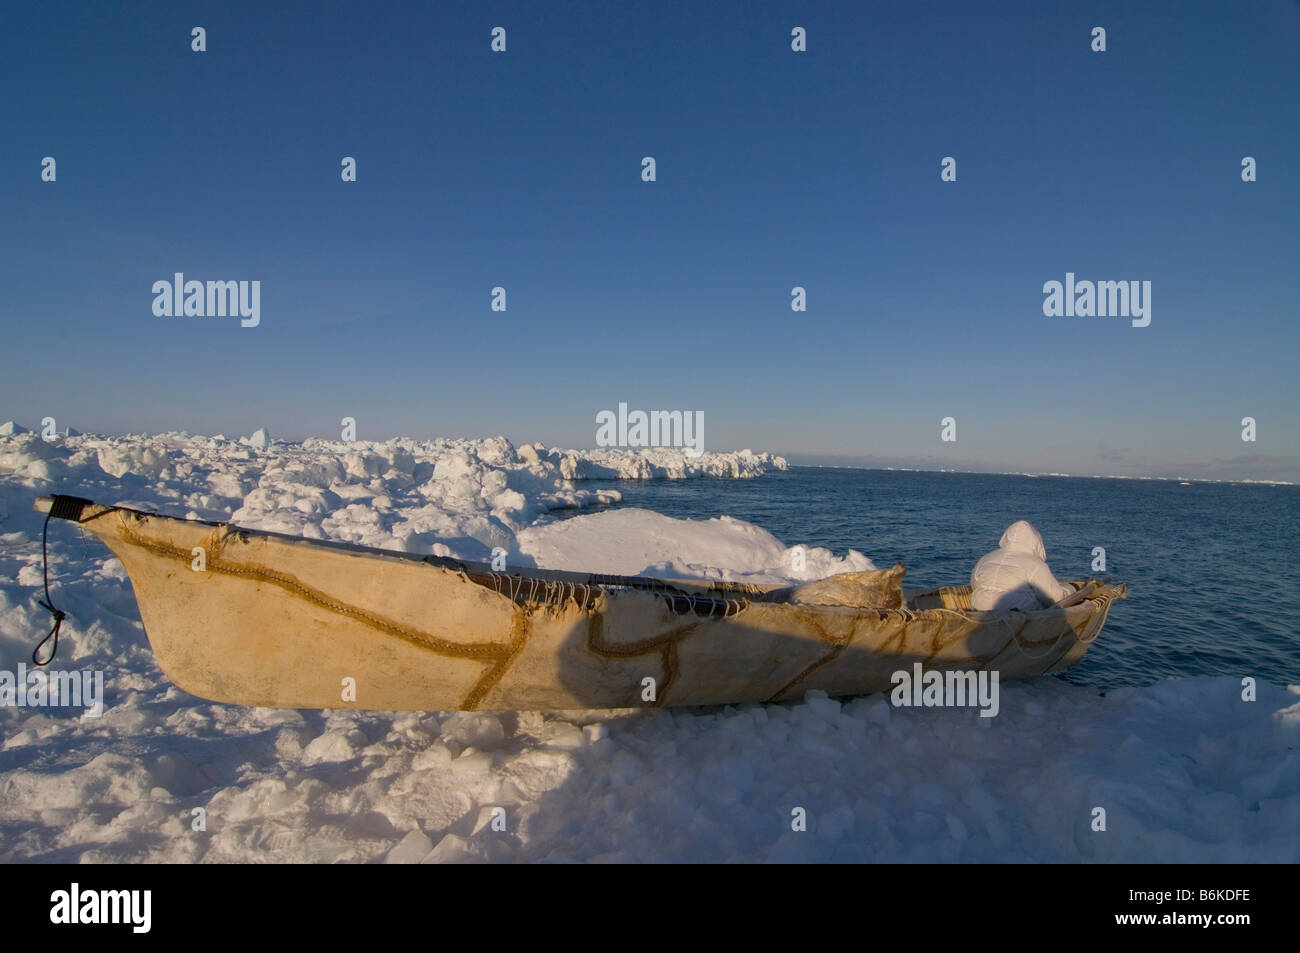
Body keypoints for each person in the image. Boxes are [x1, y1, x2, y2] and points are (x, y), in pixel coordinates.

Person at [970, 520, 1075, 611]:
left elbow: (974, 584)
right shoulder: (1035, 564)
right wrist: (1071, 589)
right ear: (1035, 542)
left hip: (979, 610)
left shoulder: (986, 558)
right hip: (1015, 615)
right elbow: (1055, 598)